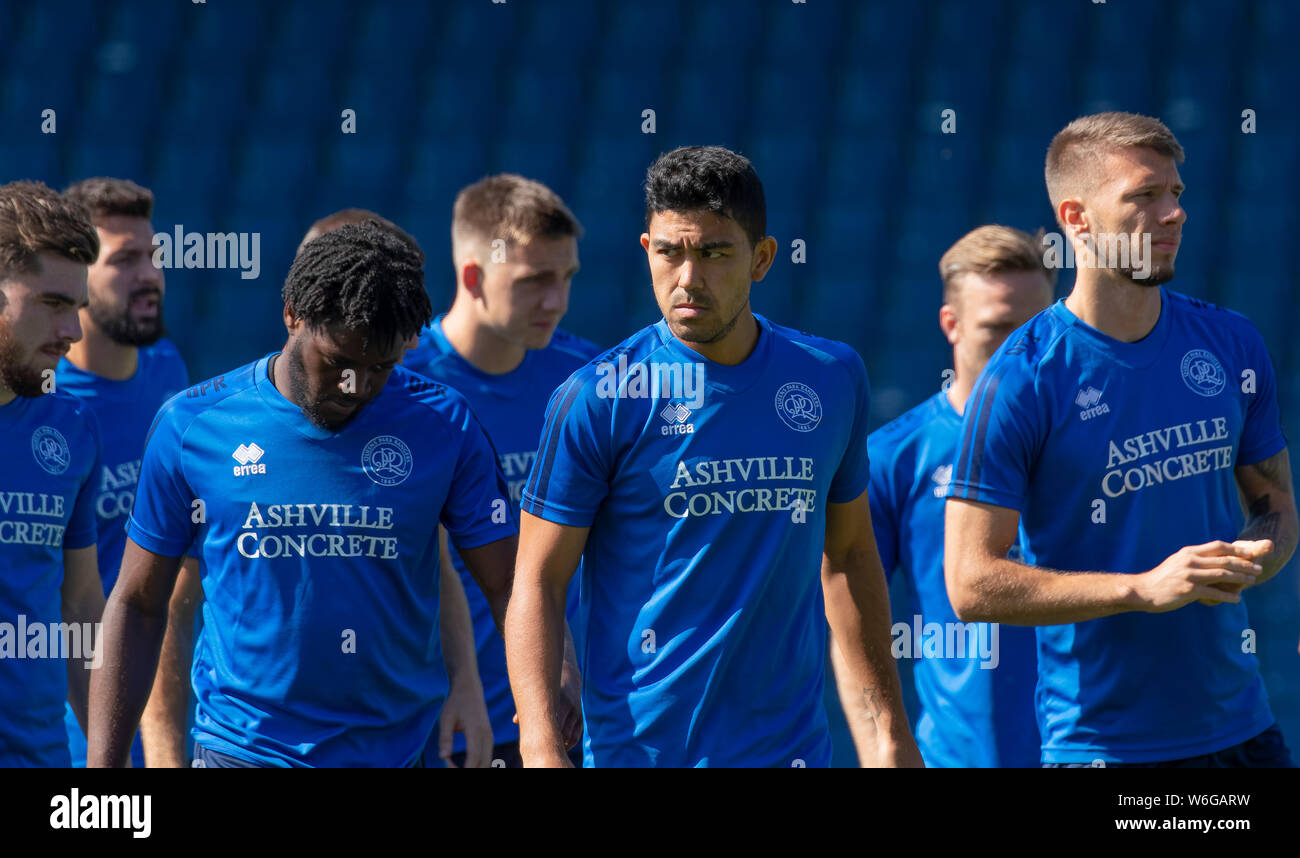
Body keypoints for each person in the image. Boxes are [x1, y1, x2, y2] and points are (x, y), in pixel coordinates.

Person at [88, 222, 570, 767]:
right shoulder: (193, 426)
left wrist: (549, 698)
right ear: (293, 313)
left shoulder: (445, 424)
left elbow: (510, 585)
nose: (357, 387)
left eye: (380, 368)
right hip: (242, 753)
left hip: (397, 754)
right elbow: (138, 602)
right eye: (340, 361)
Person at [506, 145, 921, 767]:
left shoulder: (832, 377)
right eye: (669, 252)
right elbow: (539, 579)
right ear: (647, 249)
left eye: (714, 253)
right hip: (638, 754)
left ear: (761, 259)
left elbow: (852, 555)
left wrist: (889, 729)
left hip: (789, 752)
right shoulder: (599, 398)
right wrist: (539, 743)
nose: (688, 278)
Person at [945, 111, 1298, 767]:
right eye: (1144, 196)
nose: (1173, 215)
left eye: (1177, 194)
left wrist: (1249, 560)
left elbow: (1275, 507)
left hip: (1245, 736)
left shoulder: (1231, 342)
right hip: (1103, 750)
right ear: (1077, 218)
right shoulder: (1021, 379)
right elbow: (970, 584)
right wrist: (1141, 588)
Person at [832, 225, 1052, 767]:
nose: (1019, 355)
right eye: (997, 332)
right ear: (950, 325)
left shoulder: (1096, 441)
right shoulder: (892, 458)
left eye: (1035, 333)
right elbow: (851, 625)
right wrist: (881, 746)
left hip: (1101, 750)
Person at [404, 174, 599, 768]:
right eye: (534, 280)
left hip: (564, 718)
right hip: (435, 721)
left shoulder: (588, 377)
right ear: (473, 277)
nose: (557, 301)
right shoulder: (404, 386)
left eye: (565, 278)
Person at [56, 177, 191, 768]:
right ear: (76, 274)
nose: (150, 276)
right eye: (125, 261)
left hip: (166, 688)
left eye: (154, 257)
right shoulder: (45, 404)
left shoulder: (168, 369)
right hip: (76, 717)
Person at [0, 180, 105, 766]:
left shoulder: (72, 430)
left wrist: (108, 764)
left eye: (77, 307)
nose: (74, 332)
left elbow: (82, 605)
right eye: (53, 304)